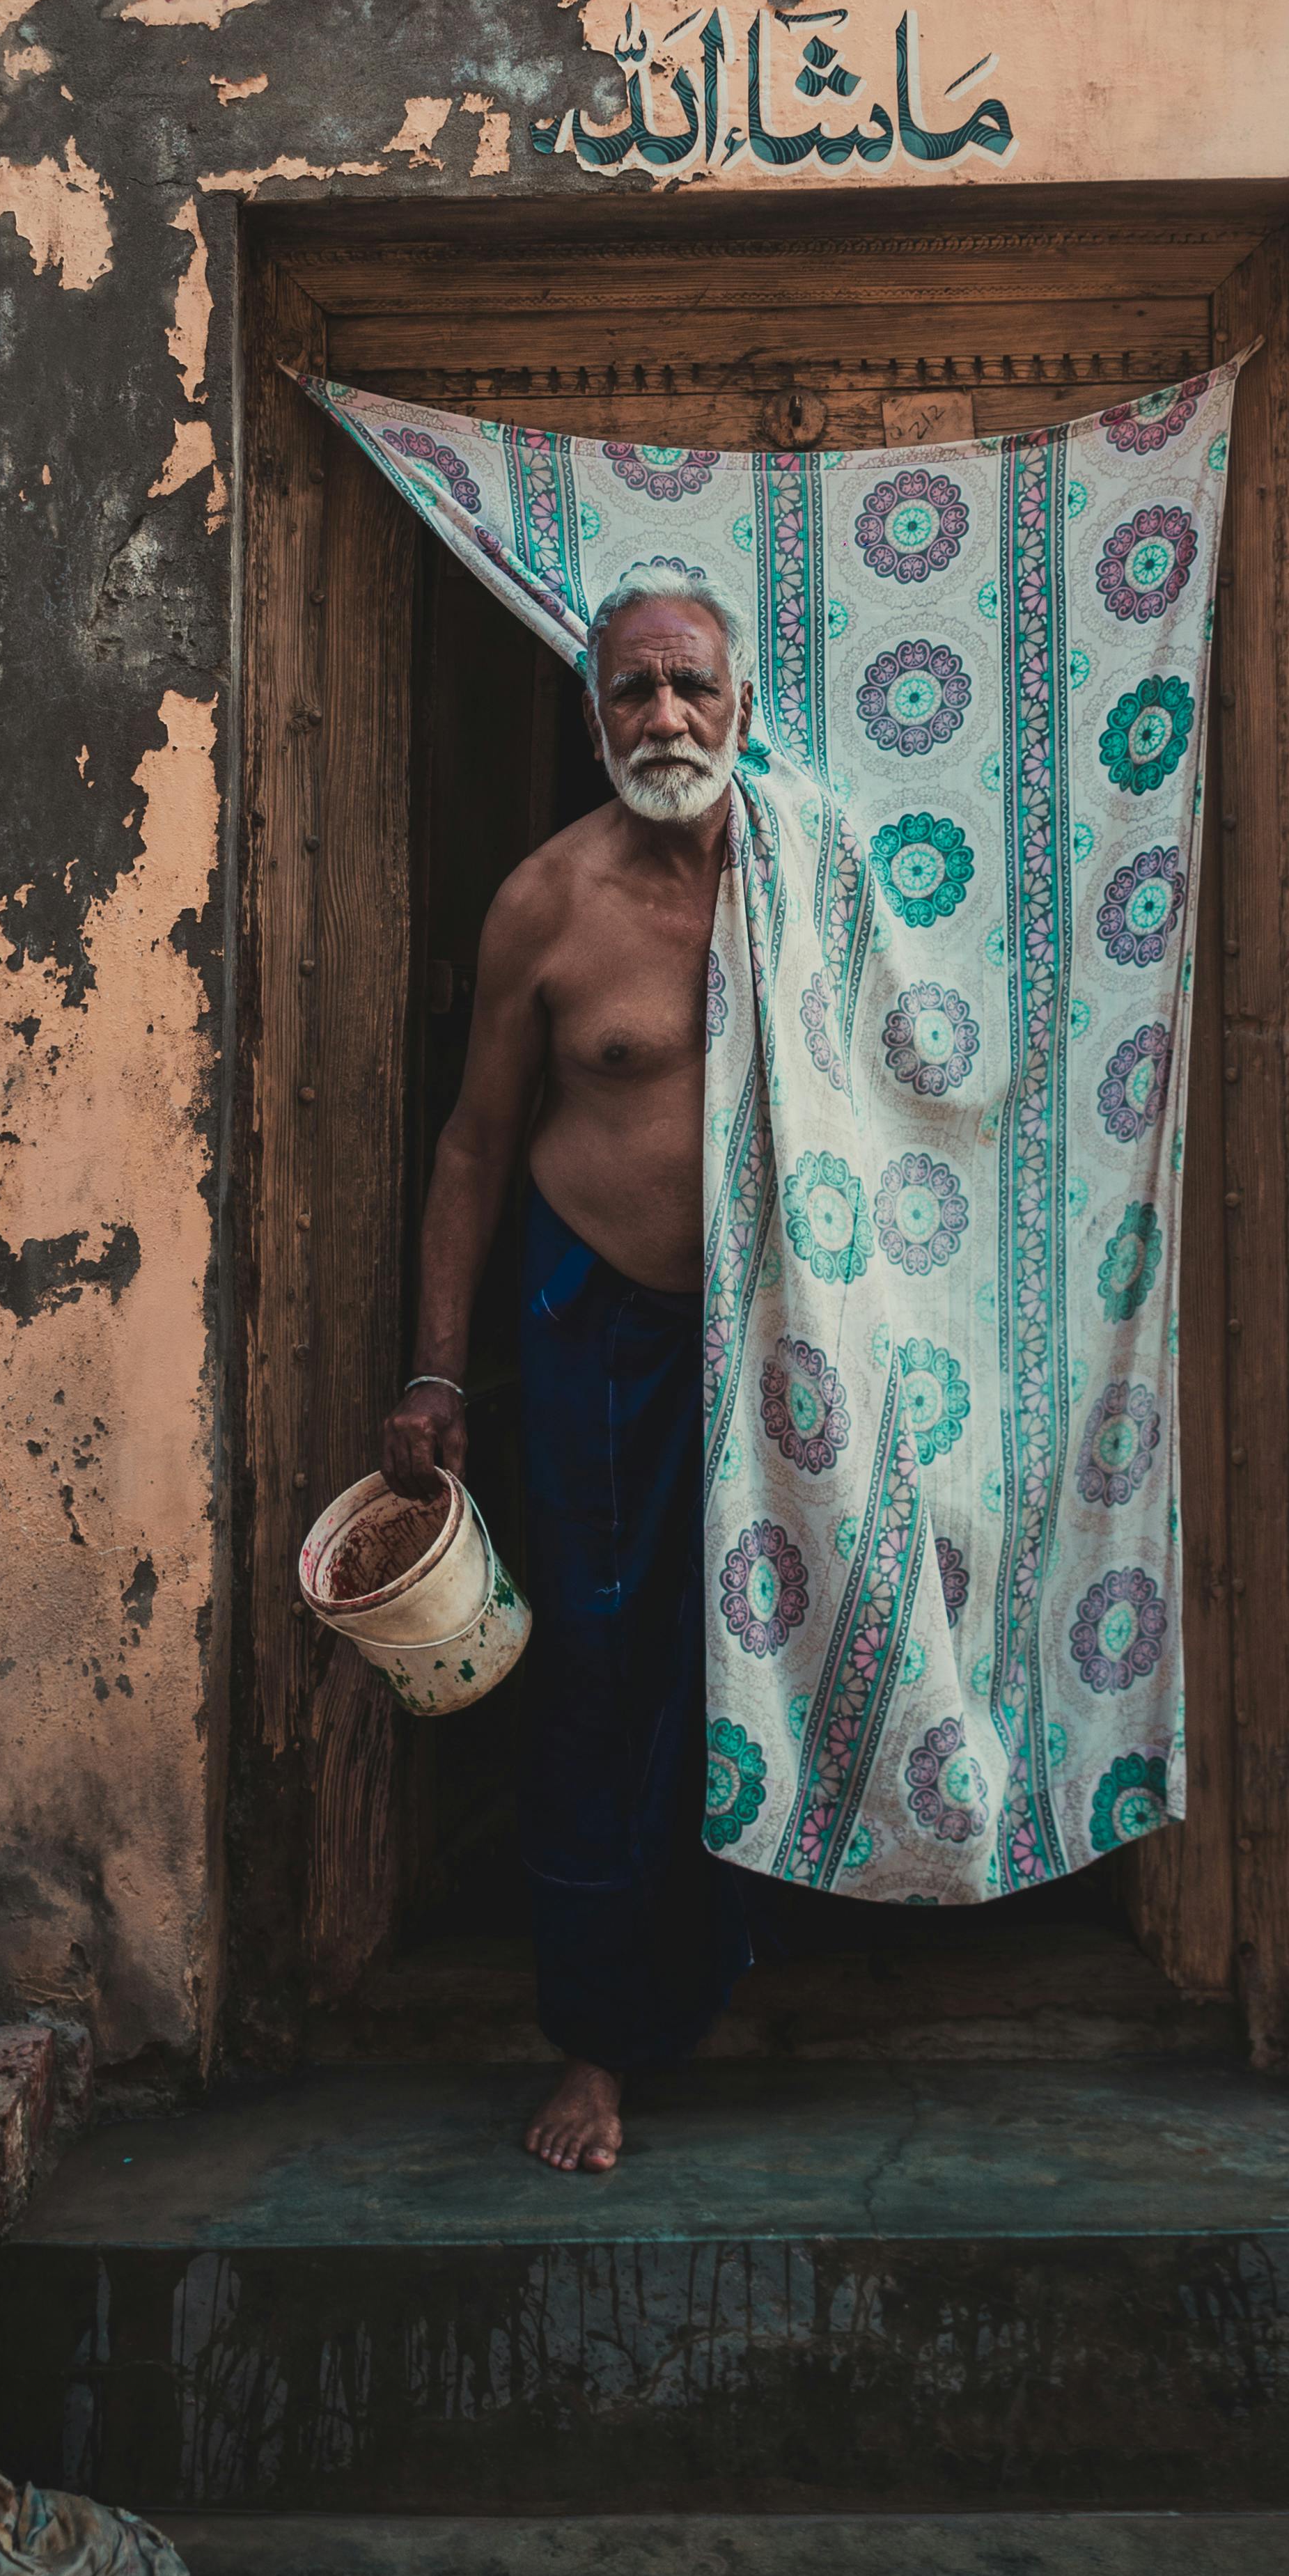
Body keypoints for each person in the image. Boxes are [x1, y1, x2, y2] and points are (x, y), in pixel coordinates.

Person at [382, 571, 755, 2176]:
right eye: (631, 691)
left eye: (690, 687)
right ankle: (596, 2042)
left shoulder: (808, 873)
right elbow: (472, 1144)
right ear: (589, 712)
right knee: (594, 1665)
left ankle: (739, 1979)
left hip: (775, 1335)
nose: (663, 718)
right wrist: (436, 1378)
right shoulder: (549, 901)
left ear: (743, 703)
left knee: (752, 1647)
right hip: (593, 1316)